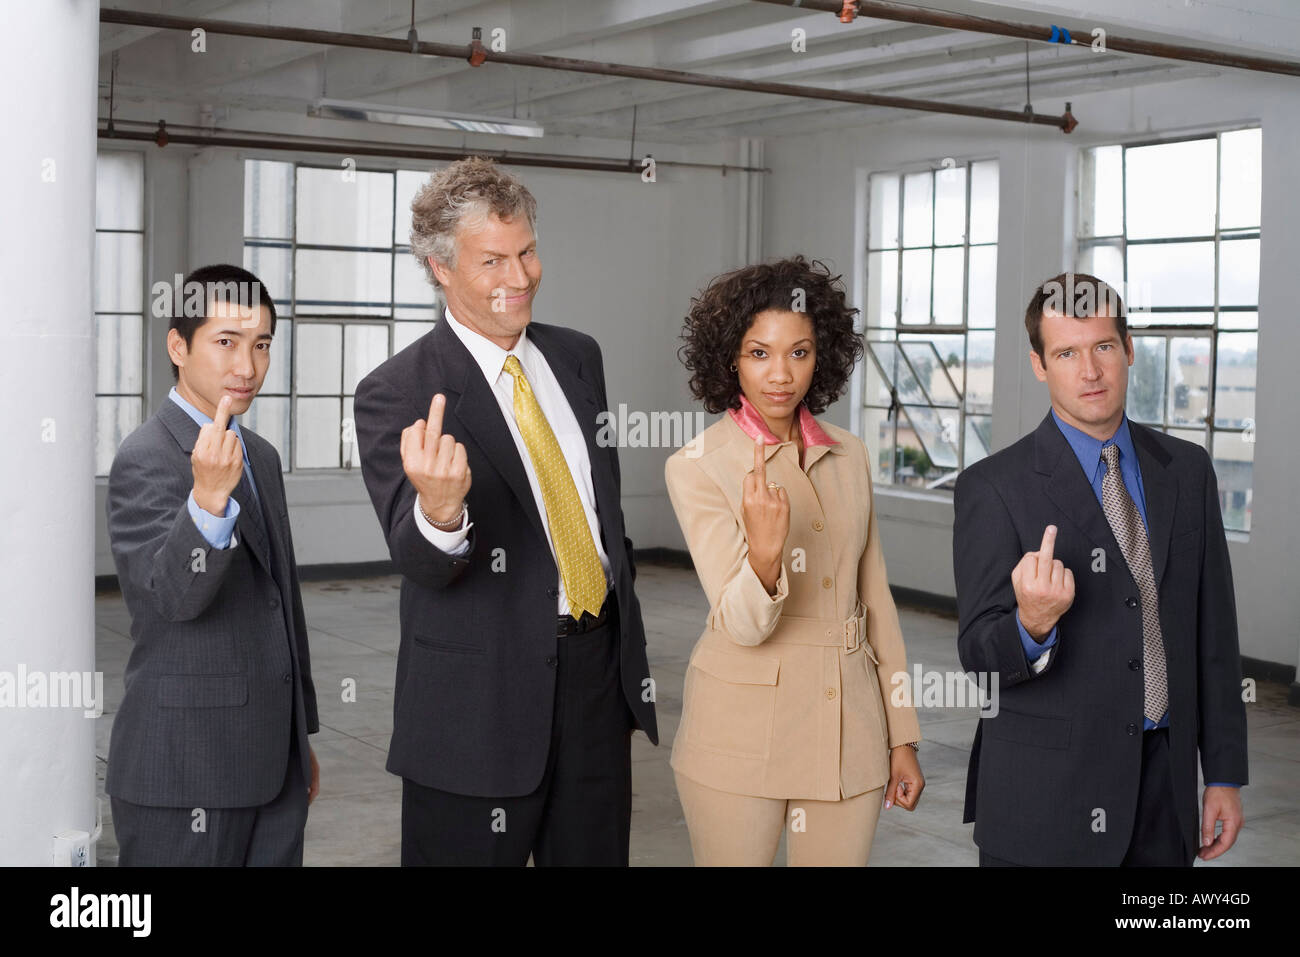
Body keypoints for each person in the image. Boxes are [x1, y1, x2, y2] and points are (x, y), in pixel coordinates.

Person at [353, 157, 658, 866]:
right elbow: (421, 560)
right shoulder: (397, 390)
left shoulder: (579, 357)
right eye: (492, 260)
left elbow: (596, 511)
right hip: (474, 709)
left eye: (526, 252)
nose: (518, 278)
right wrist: (440, 509)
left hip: (594, 678)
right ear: (440, 268)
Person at [952, 272, 1248, 866]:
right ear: (1040, 364)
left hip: (1164, 792)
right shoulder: (993, 487)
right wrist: (1030, 625)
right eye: (1066, 353)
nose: (1090, 372)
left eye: (1103, 347)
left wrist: (1223, 774)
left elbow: (1214, 635)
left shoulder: (1187, 471)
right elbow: (979, 656)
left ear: (1129, 350)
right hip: (1045, 800)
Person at [664, 256, 924, 866]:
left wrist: (902, 735)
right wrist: (764, 554)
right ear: (730, 357)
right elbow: (744, 625)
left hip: (849, 727)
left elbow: (877, 601)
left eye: (799, 353)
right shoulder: (697, 465)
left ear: (821, 355)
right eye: (759, 353)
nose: (780, 374)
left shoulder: (851, 454)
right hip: (738, 733)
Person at [105, 263, 320, 866]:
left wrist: (296, 739)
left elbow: (282, 603)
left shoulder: (261, 455)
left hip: (272, 764)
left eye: (261, 345)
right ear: (178, 345)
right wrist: (207, 501)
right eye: (225, 343)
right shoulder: (147, 457)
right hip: (186, 771)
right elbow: (169, 600)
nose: (247, 367)